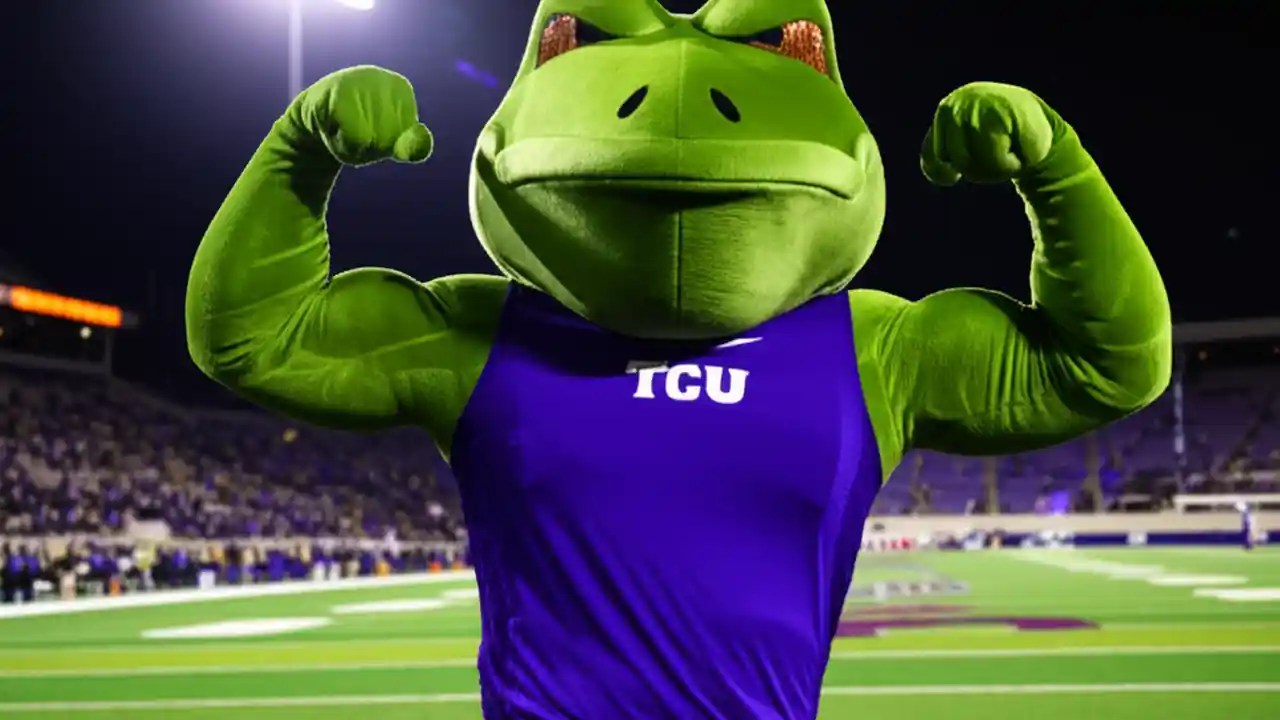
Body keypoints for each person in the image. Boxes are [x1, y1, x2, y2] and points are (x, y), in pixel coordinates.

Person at [186, 1, 1170, 716]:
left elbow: (1108, 361)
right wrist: (297, 157)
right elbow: (250, 338)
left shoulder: (869, 347)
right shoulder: (483, 333)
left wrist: (1057, 168)